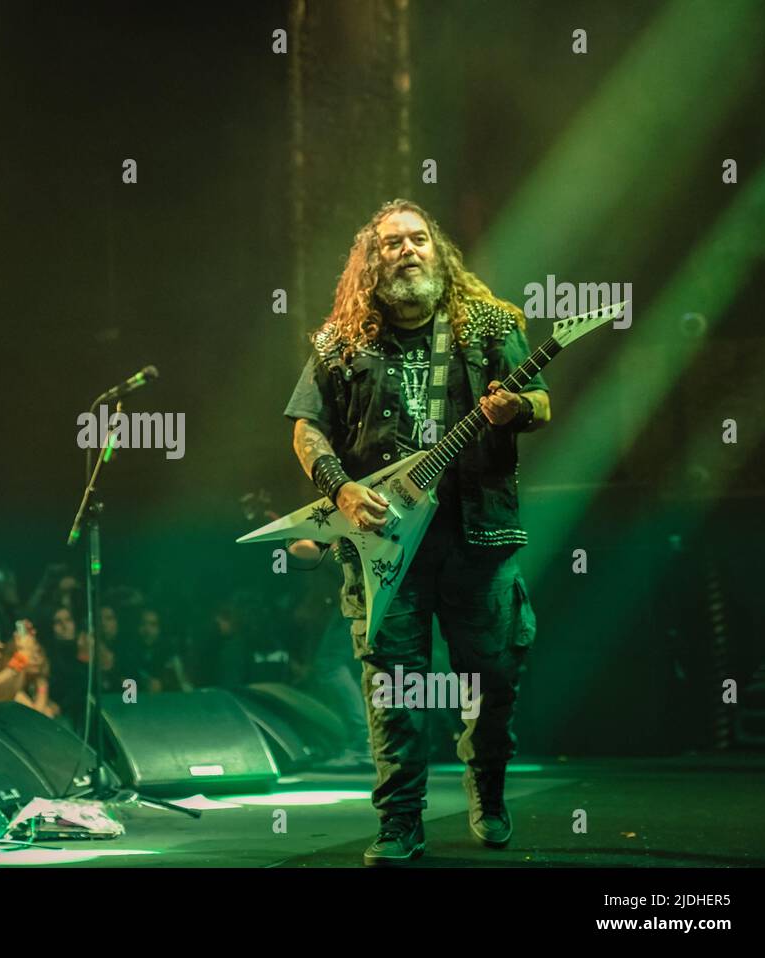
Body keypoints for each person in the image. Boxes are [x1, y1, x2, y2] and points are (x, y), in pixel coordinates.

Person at [285, 199, 546, 866]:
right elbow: (306, 425)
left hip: (478, 536)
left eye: (417, 239)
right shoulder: (341, 341)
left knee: (492, 677)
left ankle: (486, 786)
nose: (406, 250)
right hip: (384, 543)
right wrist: (339, 486)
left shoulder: (491, 325)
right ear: (373, 262)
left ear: (439, 250)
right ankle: (399, 822)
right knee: (392, 686)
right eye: (391, 243)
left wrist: (515, 405)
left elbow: (540, 401)